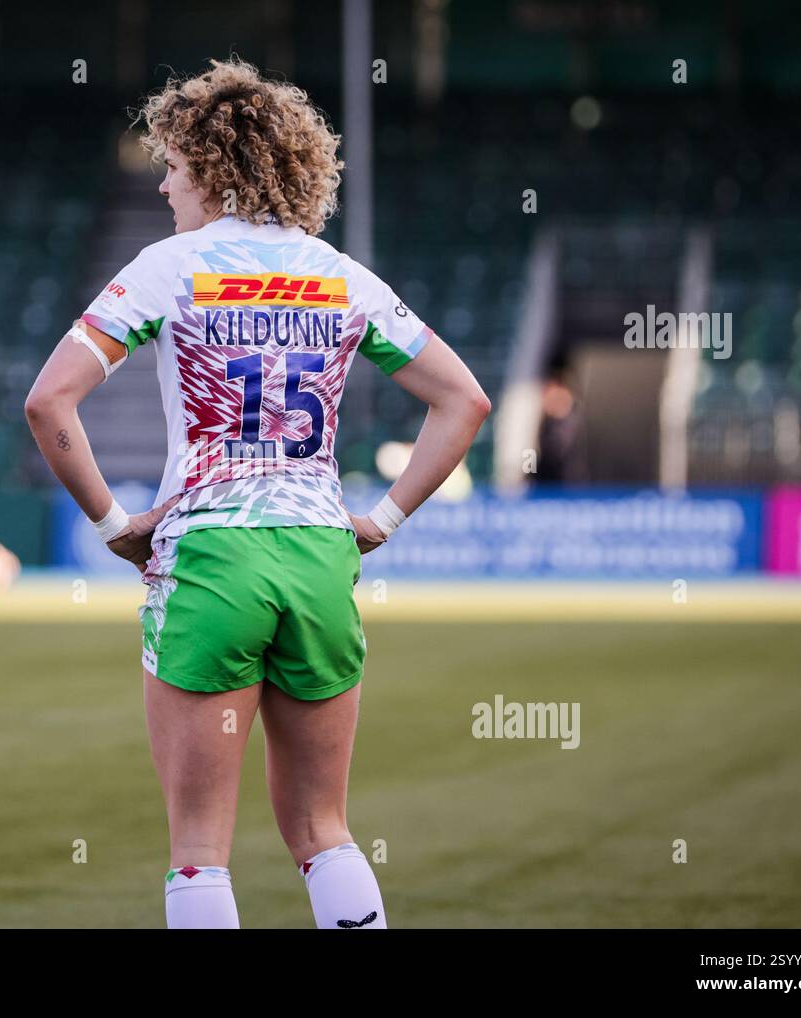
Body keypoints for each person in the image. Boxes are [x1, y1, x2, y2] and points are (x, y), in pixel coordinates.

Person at [24, 59, 490, 928]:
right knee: (324, 830)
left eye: (171, 163)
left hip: (211, 553)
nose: (163, 183)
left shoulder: (169, 269)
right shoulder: (342, 275)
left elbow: (49, 400)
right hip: (319, 553)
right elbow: (464, 401)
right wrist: (381, 520)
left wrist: (116, 524)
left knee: (199, 851)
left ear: (211, 165)